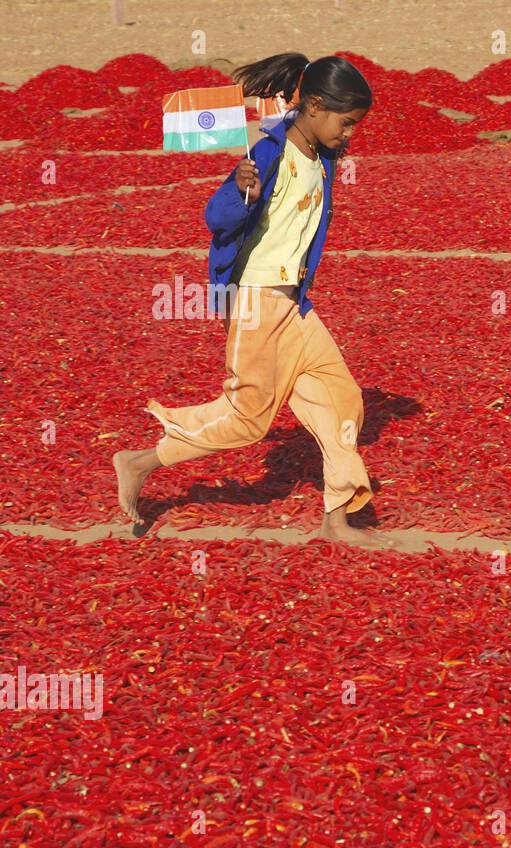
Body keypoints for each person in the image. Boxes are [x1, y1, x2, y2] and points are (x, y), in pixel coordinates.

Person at [113, 53, 390, 548]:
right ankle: (141, 461)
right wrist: (241, 193)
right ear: (317, 107)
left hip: (295, 304)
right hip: (256, 302)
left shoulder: (320, 156)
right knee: (248, 419)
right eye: (345, 123)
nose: (349, 134)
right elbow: (216, 219)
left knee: (341, 398)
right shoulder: (267, 154)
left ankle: (336, 516)